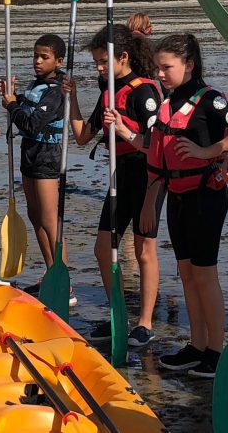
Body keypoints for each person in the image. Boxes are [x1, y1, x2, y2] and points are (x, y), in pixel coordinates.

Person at [144, 33, 228, 377]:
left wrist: (211, 153)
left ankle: (216, 351)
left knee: (205, 274)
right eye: (157, 68)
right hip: (177, 197)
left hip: (206, 196)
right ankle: (197, 343)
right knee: (186, 273)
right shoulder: (169, 102)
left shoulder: (211, 100)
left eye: (166, 68)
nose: (159, 74)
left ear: (188, 65)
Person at [65, 24, 163, 347]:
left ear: (123, 57)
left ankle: (145, 322)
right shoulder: (108, 91)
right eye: (96, 63)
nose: (99, 68)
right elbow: (82, 136)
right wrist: (73, 98)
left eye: (104, 62)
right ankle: (117, 313)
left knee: (143, 249)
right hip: (121, 175)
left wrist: (122, 131)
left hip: (147, 175)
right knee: (103, 247)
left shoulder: (144, 93)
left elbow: (155, 145)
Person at [0, 34, 68, 297]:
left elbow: (30, 124)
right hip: (30, 155)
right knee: (34, 216)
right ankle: (51, 272)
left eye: (44, 57)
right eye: (35, 56)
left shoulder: (57, 91)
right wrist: (13, 97)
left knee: (50, 221)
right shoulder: (37, 85)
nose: (37, 61)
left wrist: (12, 105)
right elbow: (24, 114)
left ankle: (64, 279)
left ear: (58, 61)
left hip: (48, 158)